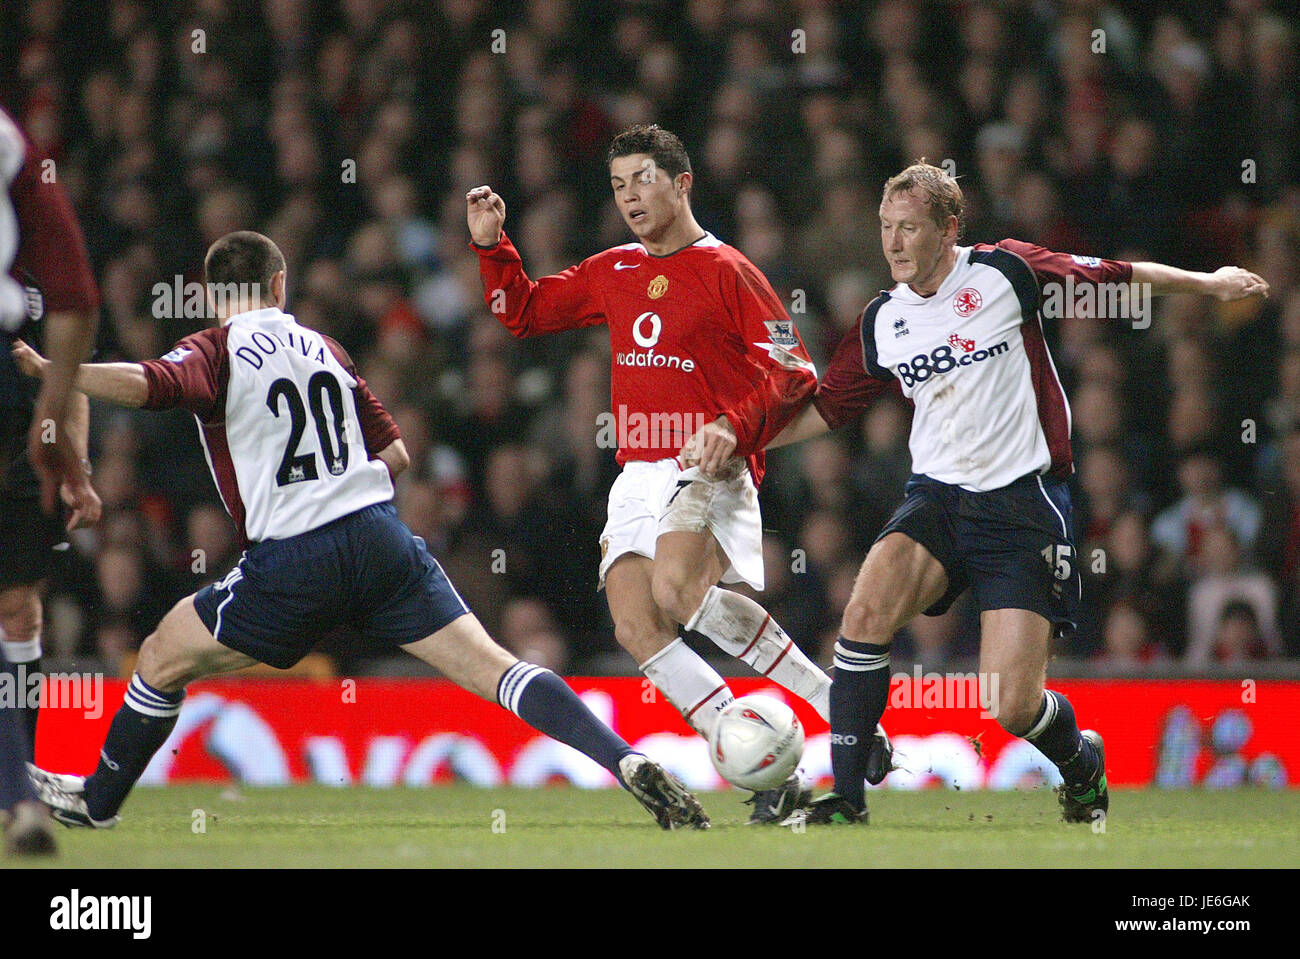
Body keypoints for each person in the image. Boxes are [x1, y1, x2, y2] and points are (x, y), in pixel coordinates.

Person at [16, 230, 709, 832]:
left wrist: (62, 373)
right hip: (381, 538)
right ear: (279, 284)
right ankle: (626, 756)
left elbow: (149, 383)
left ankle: (98, 801)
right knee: (499, 668)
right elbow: (399, 452)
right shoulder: (326, 348)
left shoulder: (215, 350)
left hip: (294, 558)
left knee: (163, 652)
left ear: (207, 294)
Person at [689, 161, 1269, 825]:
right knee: (865, 610)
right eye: (886, 227)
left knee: (1013, 706)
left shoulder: (1004, 272)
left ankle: (1080, 759)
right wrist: (739, 437)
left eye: (909, 227)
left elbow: (1113, 275)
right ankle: (848, 798)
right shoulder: (884, 319)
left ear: (949, 228)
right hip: (937, 498)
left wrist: (1210, 283)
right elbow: (827, 409)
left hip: (1024, 506)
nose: (894, 242)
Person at [467, 124, 891, 823]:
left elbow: (794, 371)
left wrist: (732, 426)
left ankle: (837, 706)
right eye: (618, 185)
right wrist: (492, 245)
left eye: (643, 179)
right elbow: (525, 312)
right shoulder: (614, 269)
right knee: (636, 622)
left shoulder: (729, 269)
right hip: (637, 469)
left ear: (682, 182)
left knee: (677, 588)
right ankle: (761, 764)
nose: (630, 196)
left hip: (708, 465)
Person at [0, 104, 101, 857]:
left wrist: (79, 465)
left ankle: (21, 774)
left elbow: (78, 381)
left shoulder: (33, 285)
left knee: (19, 608)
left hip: (20, 440)